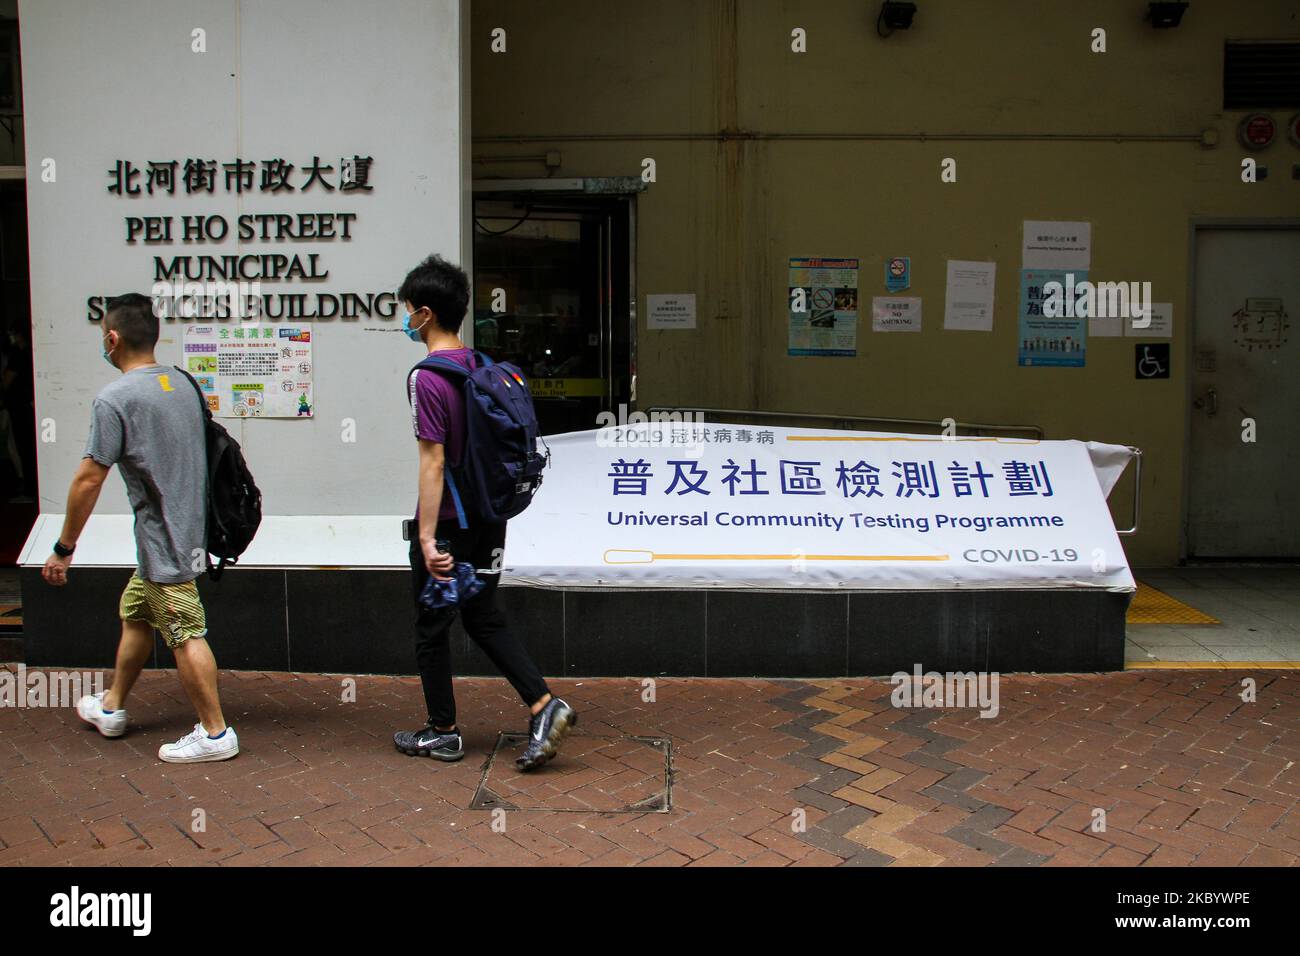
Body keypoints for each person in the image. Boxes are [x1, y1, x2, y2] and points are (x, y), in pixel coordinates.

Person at [393, 254, 575, 771]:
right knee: (482, 616)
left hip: (449, 522)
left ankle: (442, 732)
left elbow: (432, 460)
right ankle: (544, 704)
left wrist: (427, 539)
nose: (405, 320)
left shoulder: (426, 377)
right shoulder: (480, 364)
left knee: (432, 625)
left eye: (408, 311)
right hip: (491, 516)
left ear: (425, 314)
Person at [42, 293, 238, 763]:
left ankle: (215, 734)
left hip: (165, 540)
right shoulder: (182, 383)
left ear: (112, 338)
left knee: (186, 632)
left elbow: (90, 477)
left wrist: (64, 546)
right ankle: (111, 707)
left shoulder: (115, 398)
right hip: (186, 531)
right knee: (136, 613)